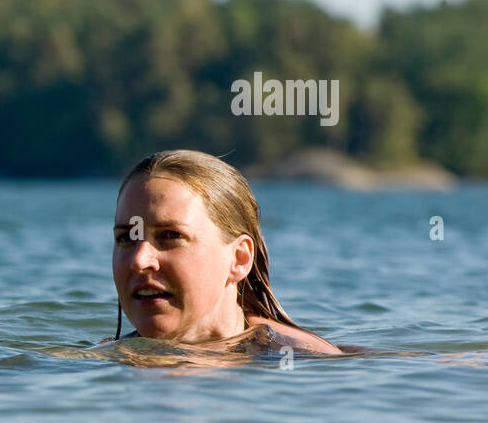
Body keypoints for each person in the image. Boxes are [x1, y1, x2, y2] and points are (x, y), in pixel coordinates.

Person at [105, 149, 342, 354]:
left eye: (171, 235)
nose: (139, 260)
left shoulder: (305, 362)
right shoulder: (101, 362)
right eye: (126, 237)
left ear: (239, 258)